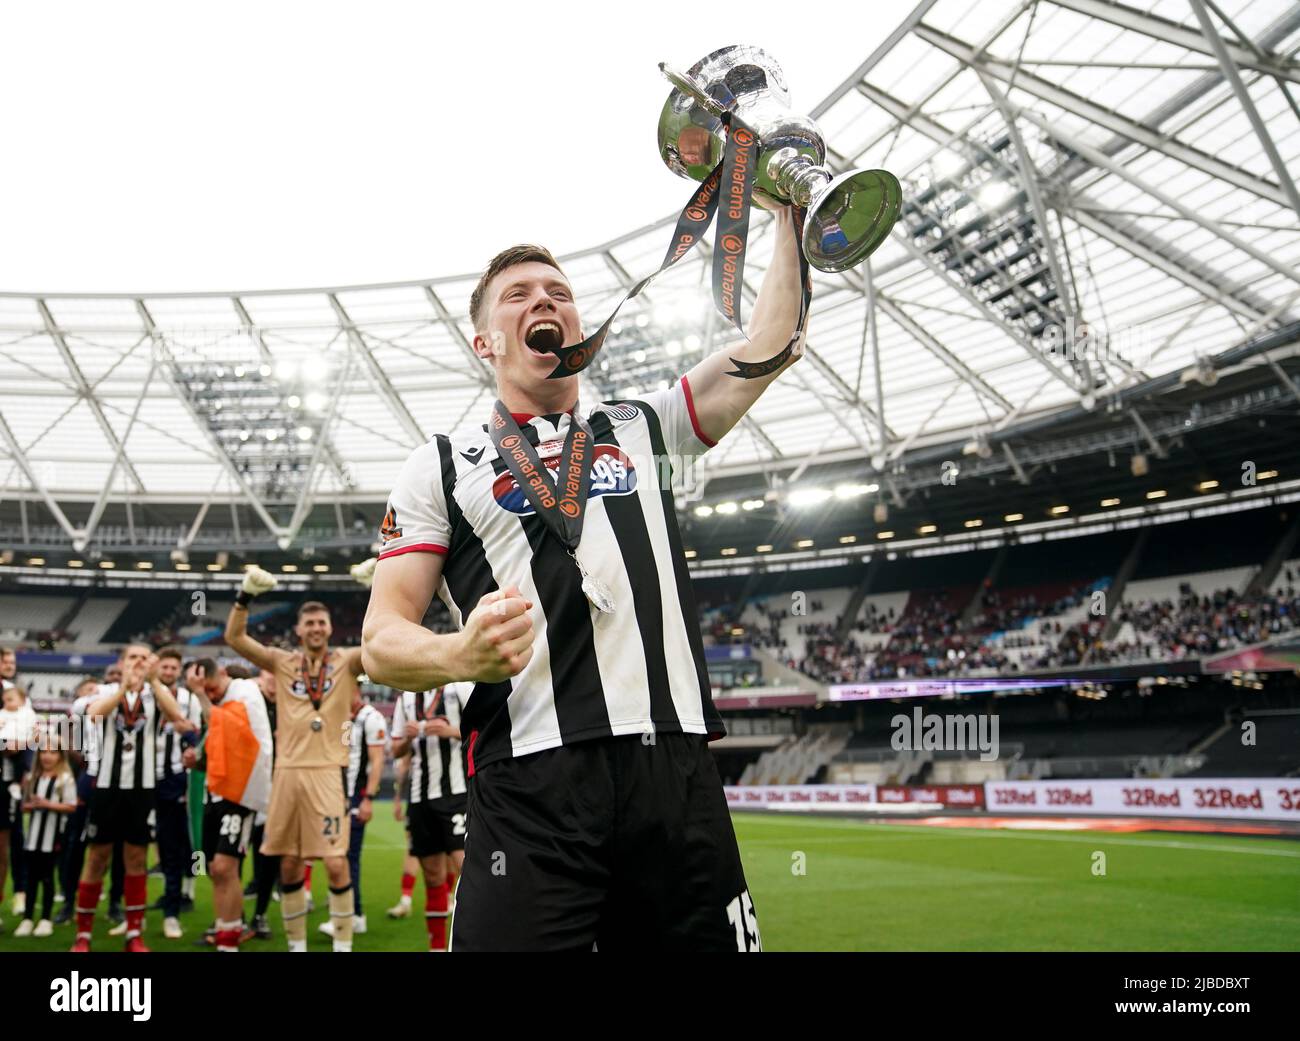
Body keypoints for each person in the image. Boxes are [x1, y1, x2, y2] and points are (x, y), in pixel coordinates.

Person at [362, 225, 803, 950]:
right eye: (521, 294)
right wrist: (459, 656)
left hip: (674, 769)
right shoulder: (441, 463)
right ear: (486, 343)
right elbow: (381, 641)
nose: (547, 300)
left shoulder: (643, 428)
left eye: (560, 292)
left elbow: (772, 337)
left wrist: (787, 211)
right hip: (532, 782)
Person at [225, 578, 365, 952]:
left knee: (336, 864)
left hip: (327, 773)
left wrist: (374, 590)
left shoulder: (348, 661)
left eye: (322, 623)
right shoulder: (282, 662)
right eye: (310, 623)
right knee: (288, 863)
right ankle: (297, 946)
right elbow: (236, 639)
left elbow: (383, 646)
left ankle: (343, 946)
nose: (316, 629)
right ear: (299, 630)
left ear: (330, 628)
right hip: (287, 773)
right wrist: (245, 597)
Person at [72, 645, 198, 953]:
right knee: (97, 857)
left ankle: (133, 933)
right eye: (133, 658)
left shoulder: (157, 694)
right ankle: (83, 934)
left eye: (145, 658)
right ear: (122, 662)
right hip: (106, 787)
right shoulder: (105, 690)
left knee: (137, 859)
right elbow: (94, 714)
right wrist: (124, 688)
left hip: (142, 789)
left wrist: (153, 681)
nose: (139, 662)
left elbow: (176, 716)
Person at [183, 659, 273, 953]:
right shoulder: (221, 701)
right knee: (215, 868)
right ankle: (227, 928)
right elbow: (219, 745)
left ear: (221, 674)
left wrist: (199, 696)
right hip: (216, 791)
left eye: (210, 688)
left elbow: (231, 735)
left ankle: (229, 940)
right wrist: (199, 759)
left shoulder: (245, 692)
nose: (208, 695)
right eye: (204, 692)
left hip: (241, 794)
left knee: (225, 865)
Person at [390, 683, 470, 951]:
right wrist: (408, 738)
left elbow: (484, 732)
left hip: (456, 795)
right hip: (419, 799)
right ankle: (436, 947)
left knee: (468, 869)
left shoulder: (458, 688)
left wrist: (450, 731)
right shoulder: (406, 700)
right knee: (433, 876)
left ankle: (479, 938)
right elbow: (395, 750)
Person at [320, 688, 385, 940]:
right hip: (336, 796)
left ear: (356, 691)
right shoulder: (341, 717)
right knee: (337, 854)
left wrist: (368, 798)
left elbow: (377, 760)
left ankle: (354, 915)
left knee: (348, 856)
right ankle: (349, 913)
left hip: (356, 796)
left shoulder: (372, 718)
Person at [152, 647, 203, 939]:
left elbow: (192, 732)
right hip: (144, 778)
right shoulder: (144, 697)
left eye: (174, 668)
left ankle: (176, 904)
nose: (169, 671)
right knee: (142, 846)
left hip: (175, 779)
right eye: (165, 667)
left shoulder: (188, 699)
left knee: (177, 845)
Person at [14, 743, 76, 937]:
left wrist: (48, 804)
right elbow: (24, 806)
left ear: (60, 756)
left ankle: (45, 919)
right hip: (32, 837)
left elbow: (71, 806)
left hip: (53, 837)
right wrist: (28, 804)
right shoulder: (33, 777)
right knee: (31, 878)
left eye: (53, 752)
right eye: (44, 752)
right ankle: (27, 918)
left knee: (47, 878)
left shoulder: (64, 779)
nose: (47, 757)